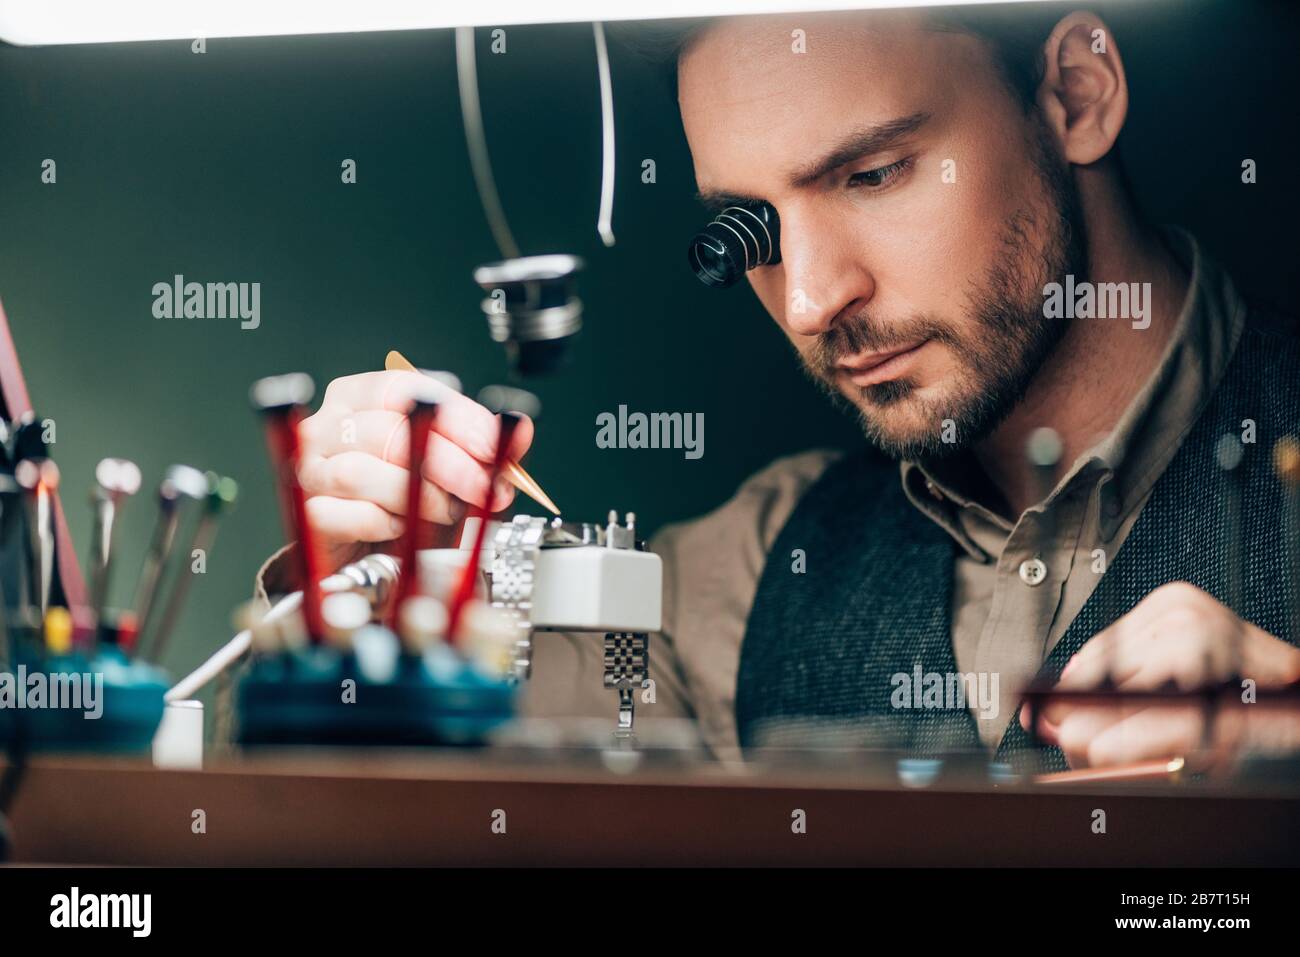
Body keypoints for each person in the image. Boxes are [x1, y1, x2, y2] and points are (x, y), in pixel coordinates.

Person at [258, 8, 1300, 772]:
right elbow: (381, 813)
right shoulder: (745, 576)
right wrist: (362, 597)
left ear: (1075, 91)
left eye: (872, 175)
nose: (808, 299)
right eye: (748, 230)